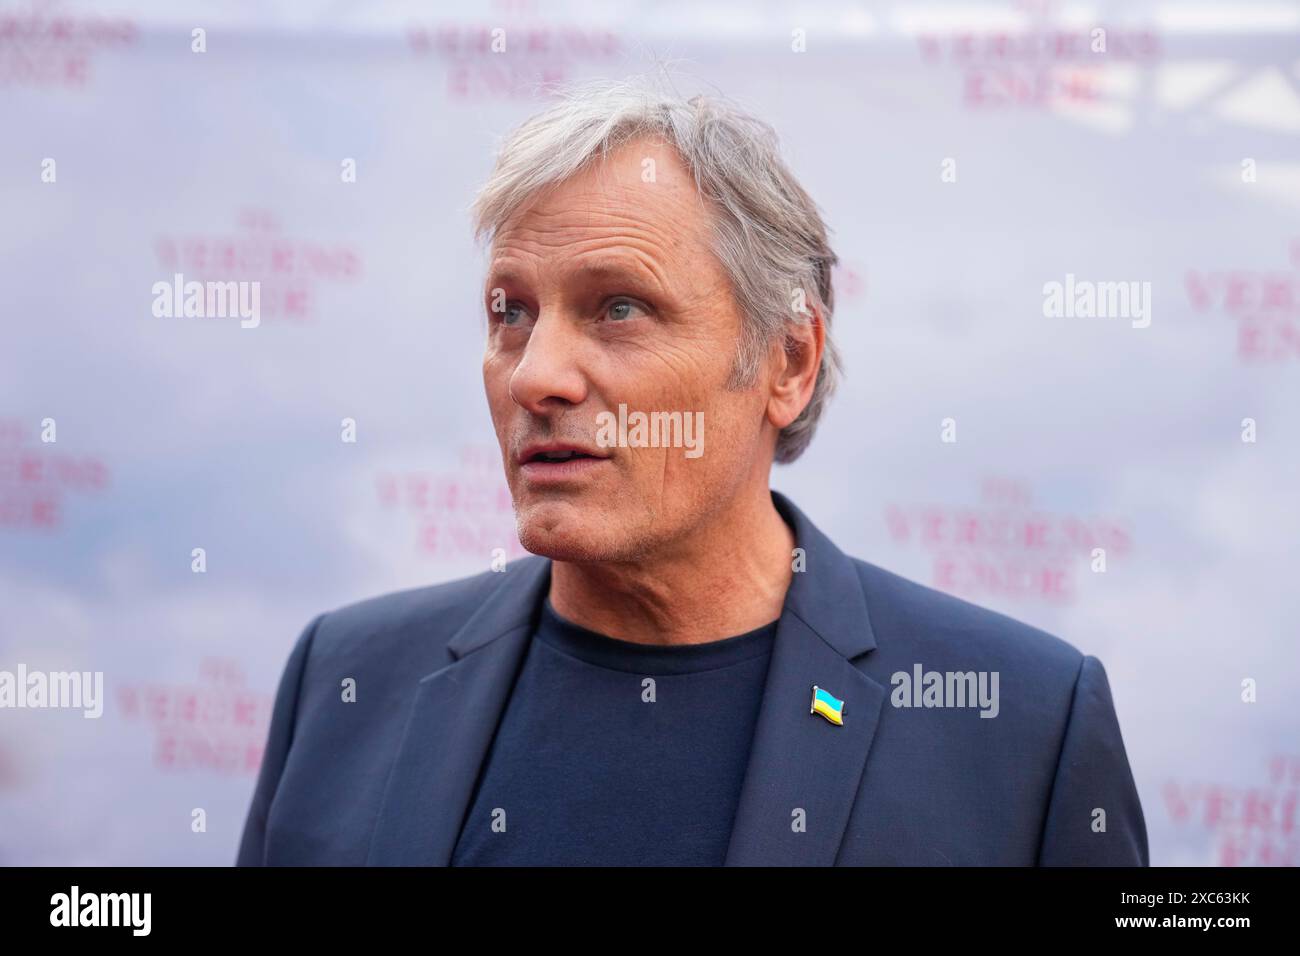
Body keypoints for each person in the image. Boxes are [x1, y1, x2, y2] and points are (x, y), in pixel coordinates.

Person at [236, 78, 1147, 866]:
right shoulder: (344, 681)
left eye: (618, 308)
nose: (536, 375)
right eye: (511, 312)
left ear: (786, 362)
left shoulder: (1020, 723)